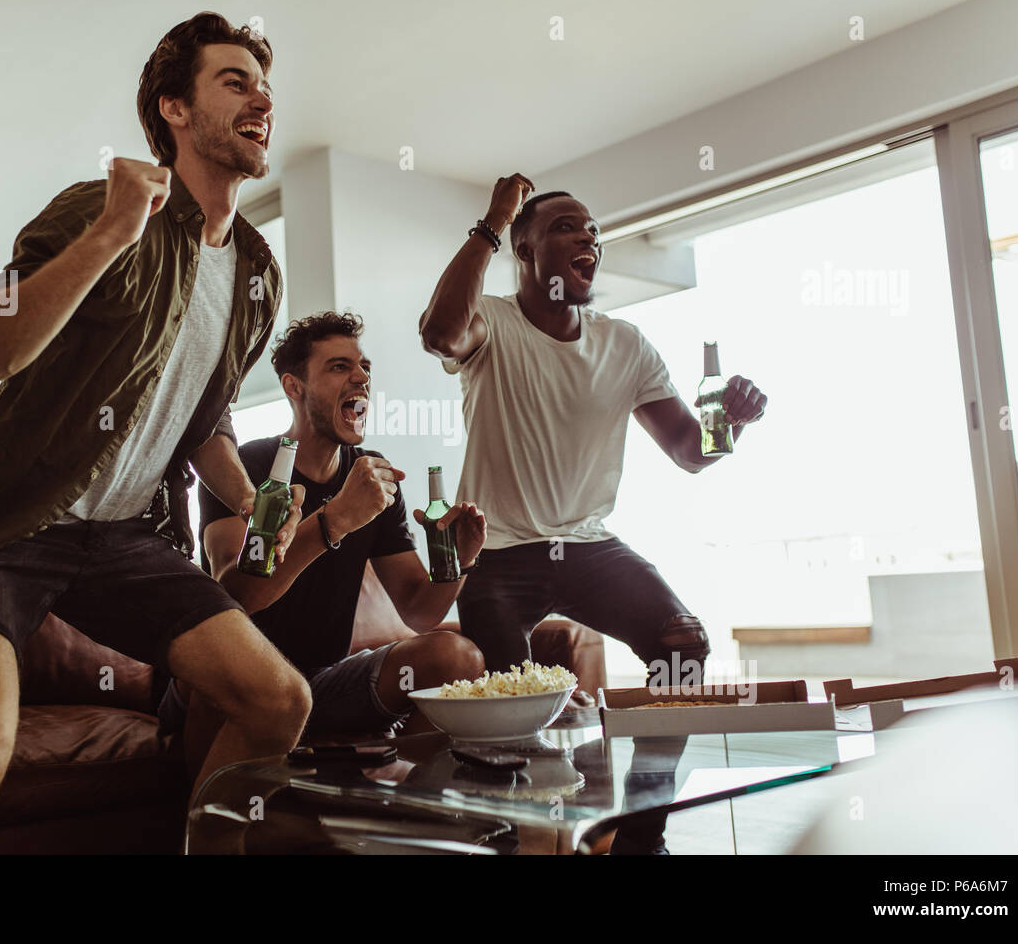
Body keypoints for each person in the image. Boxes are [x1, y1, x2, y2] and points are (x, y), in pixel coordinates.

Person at [0, 13, 311, 853]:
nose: (261, 98)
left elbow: (203, 423)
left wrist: (255, 497)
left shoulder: (259, 274)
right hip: (0, 528)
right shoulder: (101, 208)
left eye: (264, 86)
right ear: (174, 108)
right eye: (233, 82)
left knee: (279, 700)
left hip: (127, 536)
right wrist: (109, 234)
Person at [419, 174, 770, 695]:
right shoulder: (490, 322)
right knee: (514, 697)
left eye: (593, 232)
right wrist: (493, 221)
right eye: (566, 229)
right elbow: (439, 334)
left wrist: (731, 423)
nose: (588, 240)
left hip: (587, 545)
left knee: (682, 643)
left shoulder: (625, 343)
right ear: (524, 247)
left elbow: (691, 452)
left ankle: (652, 778)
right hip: (498, 554)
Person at [160, 312, 487, 757]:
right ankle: (212, 818)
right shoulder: (248, 469)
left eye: (364, 367)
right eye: (339, 367)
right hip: (237, 677)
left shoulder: (373, 474)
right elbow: (235, 592)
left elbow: (418, 611)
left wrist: (460, 561)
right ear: (294, 387)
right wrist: (334, 520)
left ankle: (405, 810)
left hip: (322, 682)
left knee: (457, 658)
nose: (361, 378)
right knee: (223, 679)